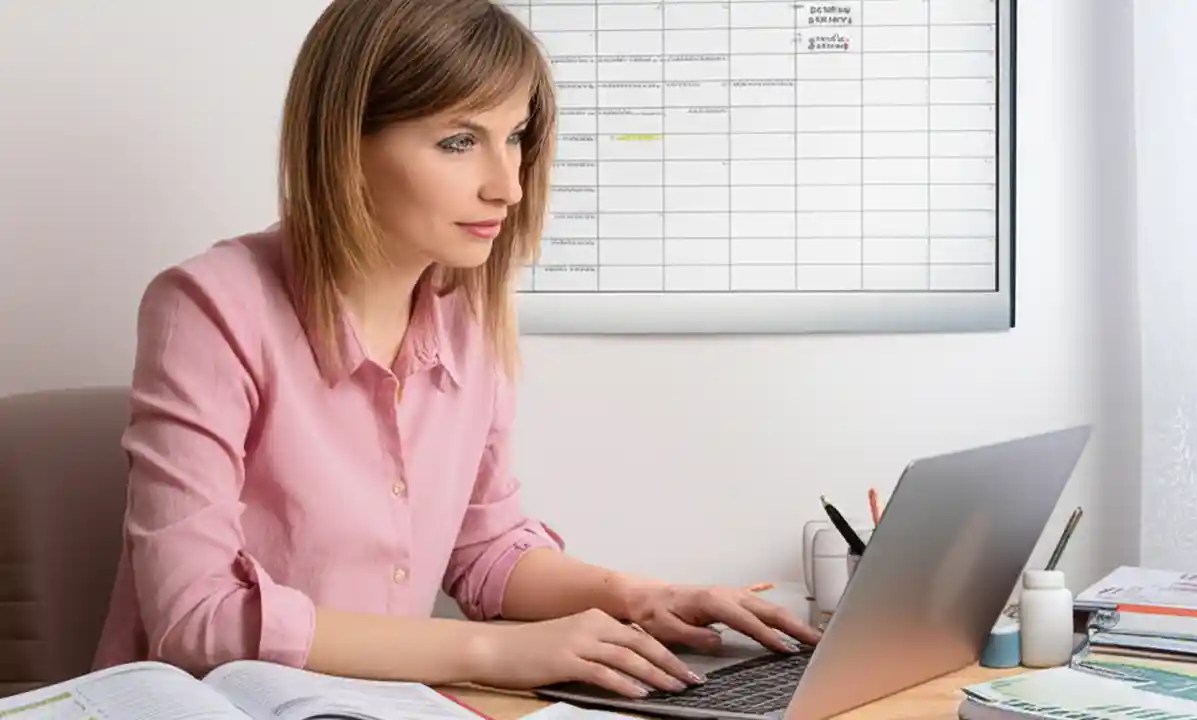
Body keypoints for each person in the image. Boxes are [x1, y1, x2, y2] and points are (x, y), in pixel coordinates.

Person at [93, 0, 821, 699]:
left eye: (516, 137)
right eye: (459, 141)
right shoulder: (207, 308)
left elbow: (485, 545)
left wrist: (639, 596)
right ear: (345, 143)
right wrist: (488, 651)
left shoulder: (465, 315)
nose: (507, 185)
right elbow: (196, 619)